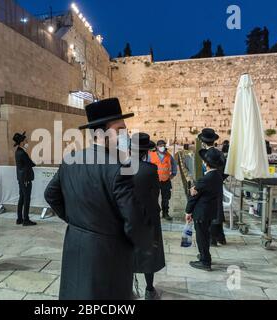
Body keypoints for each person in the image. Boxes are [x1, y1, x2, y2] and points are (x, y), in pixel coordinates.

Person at [44, 98, 150, 300]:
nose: (124, 135)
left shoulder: (70, 160)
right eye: (120, 130)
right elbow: (134, 221)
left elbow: (51, 195)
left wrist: (75, 221)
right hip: (108, 252)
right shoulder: (119, 169)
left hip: (75, 242)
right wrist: (145, 244)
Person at [131, 133, 166, 300]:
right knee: (148, 252)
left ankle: (128, 287)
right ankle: (149, 289)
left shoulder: (120, 167)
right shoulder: (150, 170)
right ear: (145, 152)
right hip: (147, 217)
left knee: (128, 251)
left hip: (127, 216)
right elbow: (154, 194)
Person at [186, 148, 225, 271]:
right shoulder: (218, 176)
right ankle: (204, 255)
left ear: (206, 164)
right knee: (205, 235)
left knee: (201, 236)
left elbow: (194, 196)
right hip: (211, 210)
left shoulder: (205, 179)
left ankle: (205, 261)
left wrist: (188, 211)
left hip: (202, 212)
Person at [197, 128, 227, 246]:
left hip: (207, 184)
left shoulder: (206, 154)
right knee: (218, 208)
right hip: (218, 184)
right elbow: (226, 170)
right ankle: (220, 236)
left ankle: (212, 238)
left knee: (209, 210)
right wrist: (219, 179)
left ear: (203, 142)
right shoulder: (220, 153)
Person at [148, 140, 177, 221]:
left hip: (166, 180)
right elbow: (146, 165)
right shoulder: (151, 155)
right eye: (160, 145)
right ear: (157, 147)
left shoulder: (169, 156)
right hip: (154, 181)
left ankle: (165, 213)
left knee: (166, 198)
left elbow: (174, 165)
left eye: (163, 145)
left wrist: (173, 174)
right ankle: (155, 213)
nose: (162, 147)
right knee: (153, 198)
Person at [14, 132, 37, 226]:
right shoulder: (22, 153)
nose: (27, 142)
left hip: (21, 178)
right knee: (26, 198)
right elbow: (30, 163)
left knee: (22, 198)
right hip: (25, 178)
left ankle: (19, 218)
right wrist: (34, 163)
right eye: (25, 140)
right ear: (22, 142)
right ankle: (26, 220)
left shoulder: (18, 151)